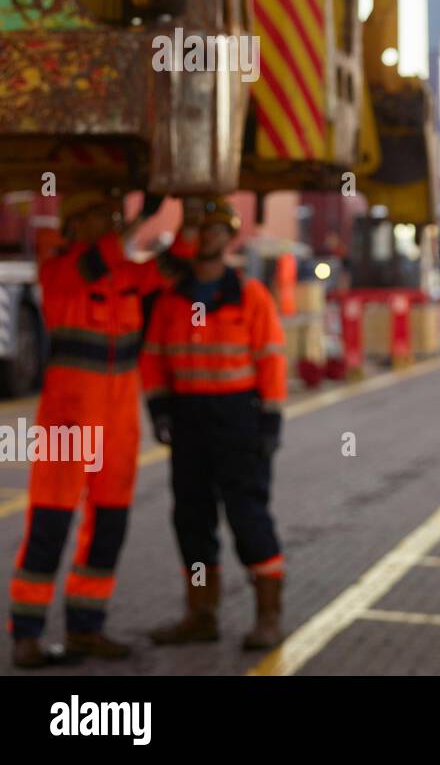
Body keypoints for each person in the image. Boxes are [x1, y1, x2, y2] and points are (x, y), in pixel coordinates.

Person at [9, 189, 194, 668]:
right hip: (68, 420)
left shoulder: (128, 276)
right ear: (75, 227)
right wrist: (141, 219)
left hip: (118, 421)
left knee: (108, 527)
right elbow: (101, 257)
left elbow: (175, 269)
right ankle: (26, 636)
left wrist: (196, 217)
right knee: (49, 525)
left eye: (113, 217)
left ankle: (85, 628)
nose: (111, 224)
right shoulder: (61, 271)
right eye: (100, 216)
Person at [139, 196, 288, 650]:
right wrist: (159, 410)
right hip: (189, 421)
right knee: (192, 519)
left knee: (248, 517)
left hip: (237, 420)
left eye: (218, 230)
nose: (209, 237)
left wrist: (270, 423)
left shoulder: (249, 295)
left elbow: (272, 361)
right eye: (202, 229)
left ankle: (268, 617)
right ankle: (200, 615)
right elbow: (154, 358)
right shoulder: (171, 299)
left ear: (229, 238)